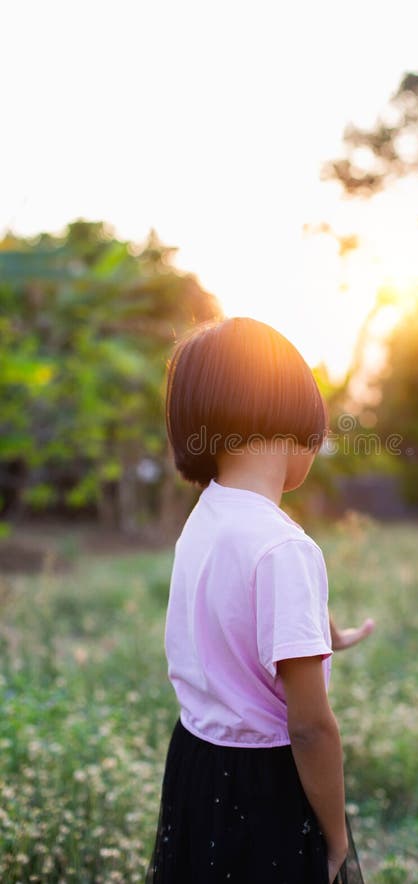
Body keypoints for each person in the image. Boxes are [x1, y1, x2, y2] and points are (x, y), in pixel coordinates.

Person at [146, 316, 374, 884]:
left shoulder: (211, 513)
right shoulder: (284, 547)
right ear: (296, 424)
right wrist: (338, 838)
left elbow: (248, 601)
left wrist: (324, 634)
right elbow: (310, 729)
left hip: (197, 762)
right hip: (265, 782)